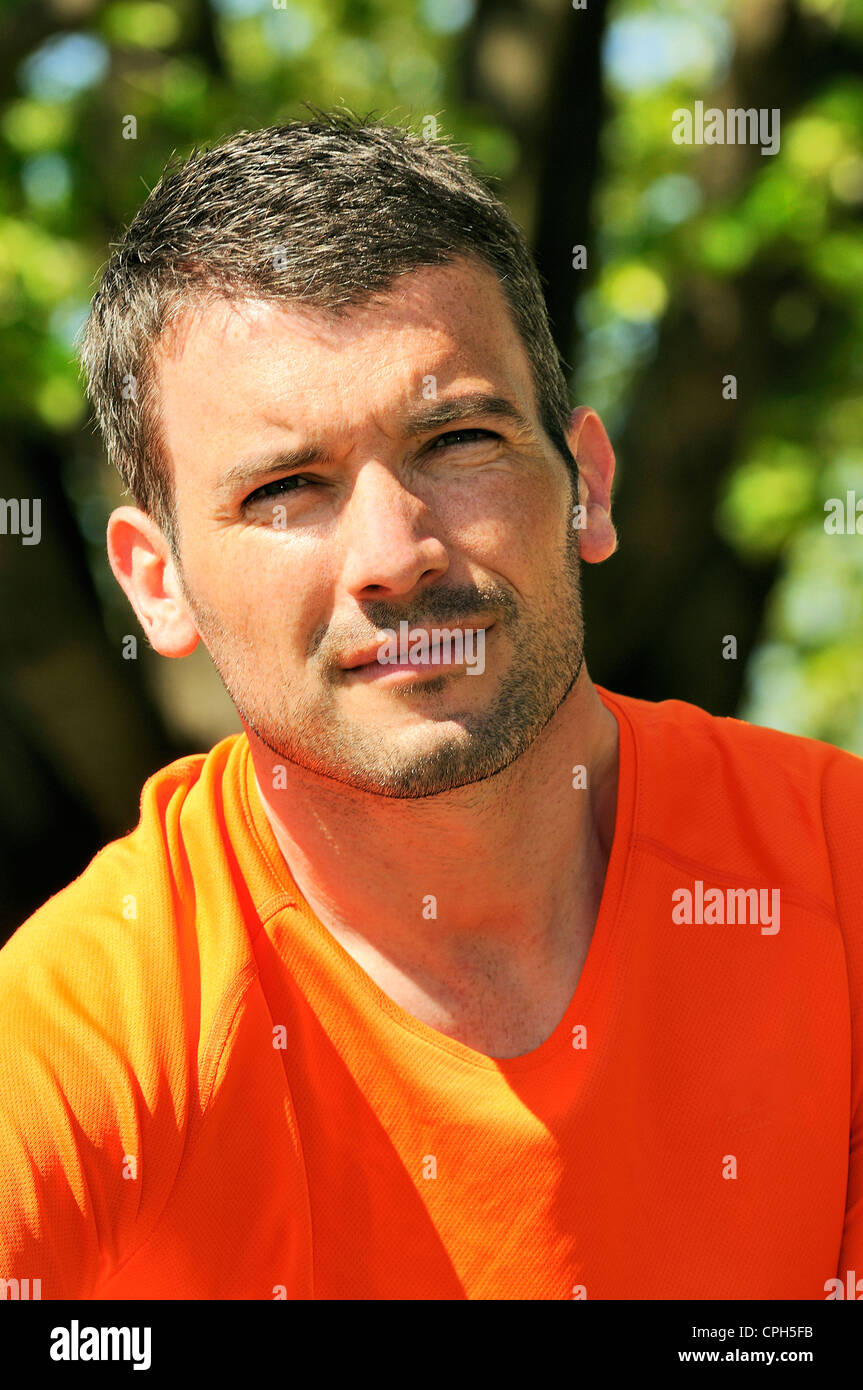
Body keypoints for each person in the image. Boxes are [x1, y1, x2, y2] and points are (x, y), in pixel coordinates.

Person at [1, 110, 861, 1302]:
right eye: (285, 488)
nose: (393, 556)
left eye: (456, 438)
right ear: (158, 582)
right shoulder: (94, 1013)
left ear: (586, 486)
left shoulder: (832, 870)